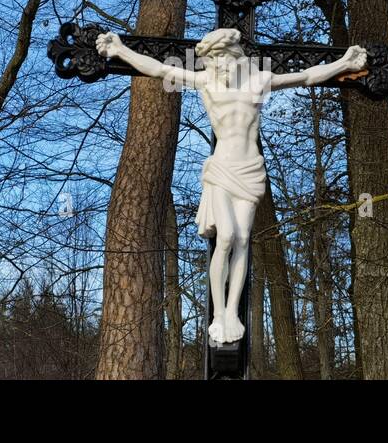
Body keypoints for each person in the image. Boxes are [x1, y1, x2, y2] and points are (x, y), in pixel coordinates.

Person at [96, 28, 367, 343]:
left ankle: (233, 311)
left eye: (224, 61)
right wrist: (120, 50)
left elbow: (306, 76)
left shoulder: (258, 82)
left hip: (251, 169)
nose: (219, 68)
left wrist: (345, 63)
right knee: (225, 237)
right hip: (222, 168)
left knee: (241, 240)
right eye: (213, 63)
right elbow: (159, 69)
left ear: (237, 58)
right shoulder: (206, 83)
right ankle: (219, 312)